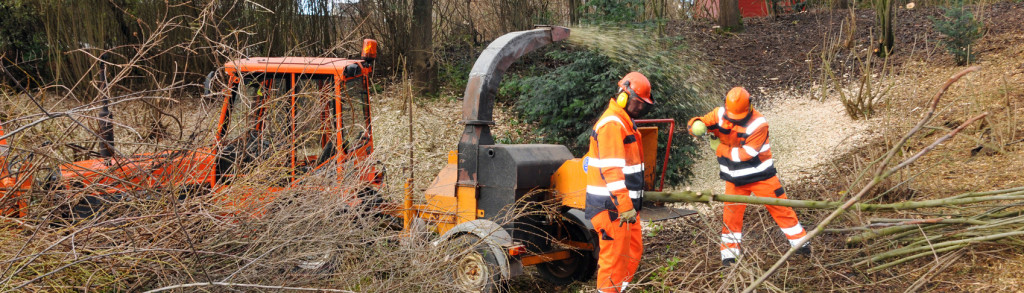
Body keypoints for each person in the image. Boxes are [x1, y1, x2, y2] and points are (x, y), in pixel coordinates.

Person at [688, 87, 811, 267]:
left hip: (762, 177)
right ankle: (729, 255)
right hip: (735, 180)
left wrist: (720, 148)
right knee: (731, 217)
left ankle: (801, 245)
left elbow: (746, 154)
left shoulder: (759, 124)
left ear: (750, 106)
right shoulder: (719, 114)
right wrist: (696, 125)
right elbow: (699, 123)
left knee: (781, 209)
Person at [585, 72, 655, 292]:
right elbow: (612, 172)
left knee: (632, 252)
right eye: (638, 103)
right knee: (614, 262)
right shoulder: (612, 124)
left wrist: (630, 206)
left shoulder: (625, 122)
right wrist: (624, 206)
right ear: (624, 96)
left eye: (644, 105)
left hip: (625, 207)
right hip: (612, 207)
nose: (640, 108)